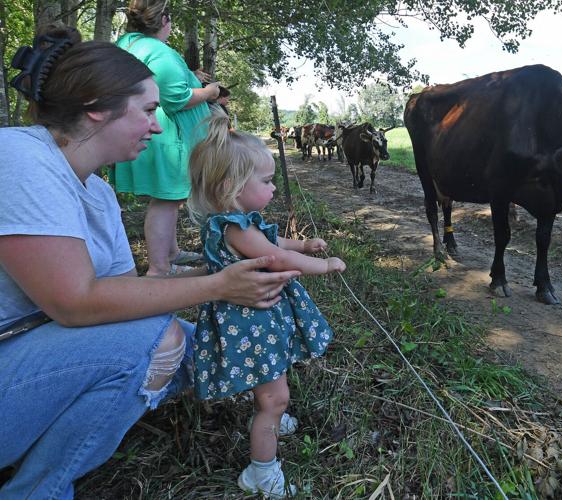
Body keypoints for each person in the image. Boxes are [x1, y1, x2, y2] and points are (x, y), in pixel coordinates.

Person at [0, 28, 298, 499]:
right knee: (156, 340)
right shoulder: (20, 157)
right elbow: (75, 303)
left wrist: (223, 272)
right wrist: (219, 286)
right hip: (13, 353)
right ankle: (37, 490)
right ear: (97, 107)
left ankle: (272, 408)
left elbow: (123, 294)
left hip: (36, 356)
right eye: (148, 110)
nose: (157, 127)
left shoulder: (98, 193)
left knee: (203, 344)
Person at [187, 113, 346, 498]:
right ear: (232, 187)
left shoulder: (239, 224)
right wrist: (322, 265)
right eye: (266, 181)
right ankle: (261, 472)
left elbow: (273, 243)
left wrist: (302, 244)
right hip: (251, 322)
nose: (273, 187)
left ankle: (271, 416)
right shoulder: (236, 228)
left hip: (255, 318)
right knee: (275, 397)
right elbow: (275, 257)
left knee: (272, 380)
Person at [111, 0, 220, 276]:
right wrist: (210, 92)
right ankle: (160, 268)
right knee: (166, 201)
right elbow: (176, 99)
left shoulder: (129, 45)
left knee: (168, 197)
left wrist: (190, 76)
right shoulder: (159, 51)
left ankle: (171, 253)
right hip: (167, 141)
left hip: (148, 137)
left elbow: (160, 83)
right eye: (169, 18)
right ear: (162, 20)